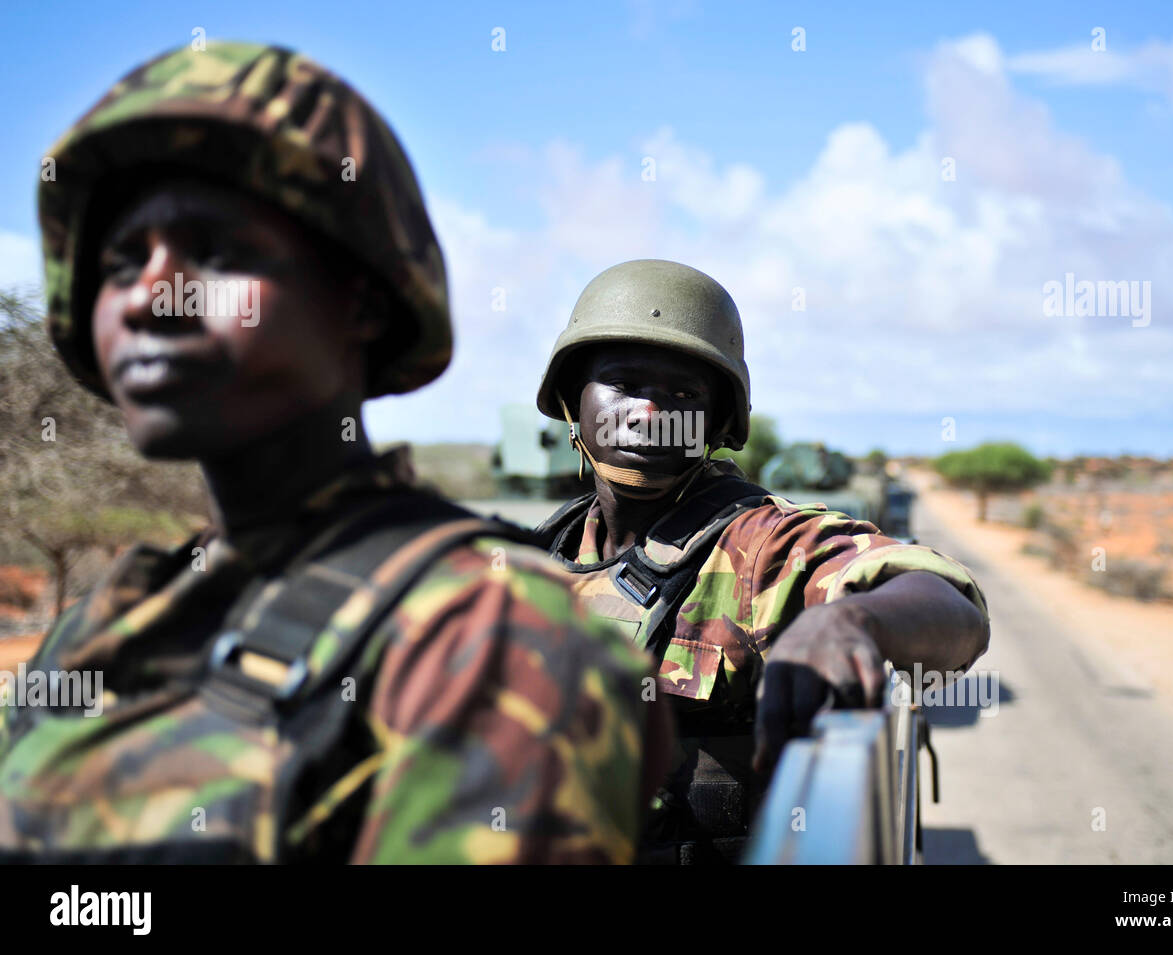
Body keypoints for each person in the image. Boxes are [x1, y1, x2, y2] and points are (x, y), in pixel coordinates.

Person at [0, 42, 666, 864]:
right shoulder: (104, 623)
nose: (149, 293)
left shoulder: (492, 641)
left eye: (213, 251)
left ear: (360, 301)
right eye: (120, 261)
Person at [533, 259, 992, 863]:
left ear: (718, 420)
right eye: (623, 383)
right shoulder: (540, 553)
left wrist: (851, 622)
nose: (650, 411)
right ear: (574, 401)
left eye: (684, 393)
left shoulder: (762, 545)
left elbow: (951, 602)